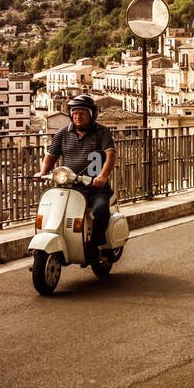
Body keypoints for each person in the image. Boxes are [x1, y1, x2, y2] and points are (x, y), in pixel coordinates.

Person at [37, 94, 116, 263]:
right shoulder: (62, 133)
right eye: (75, 112)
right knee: (51, 210)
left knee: (100, 211)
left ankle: (95, 247)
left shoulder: (102, 132)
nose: (78, 116)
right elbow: (51, 157)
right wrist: (43, 172)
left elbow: (110, 155)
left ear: (91, 114)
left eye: (83, 113)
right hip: (69, 187)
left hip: (96, 188)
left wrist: (102, 176)